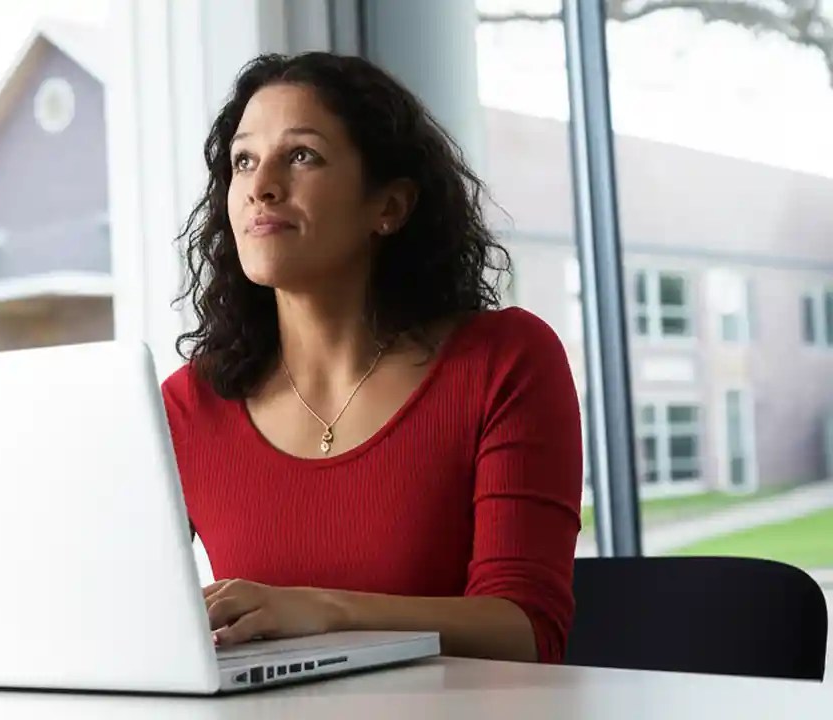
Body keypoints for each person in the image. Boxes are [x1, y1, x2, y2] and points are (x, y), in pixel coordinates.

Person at [161, 52, 583, 664]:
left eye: (300, 155)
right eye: (244, 160)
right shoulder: (187, 404)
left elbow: (527, 632)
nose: (260, 186)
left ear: (389, 206)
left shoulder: (505, 361)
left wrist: (327, 611)